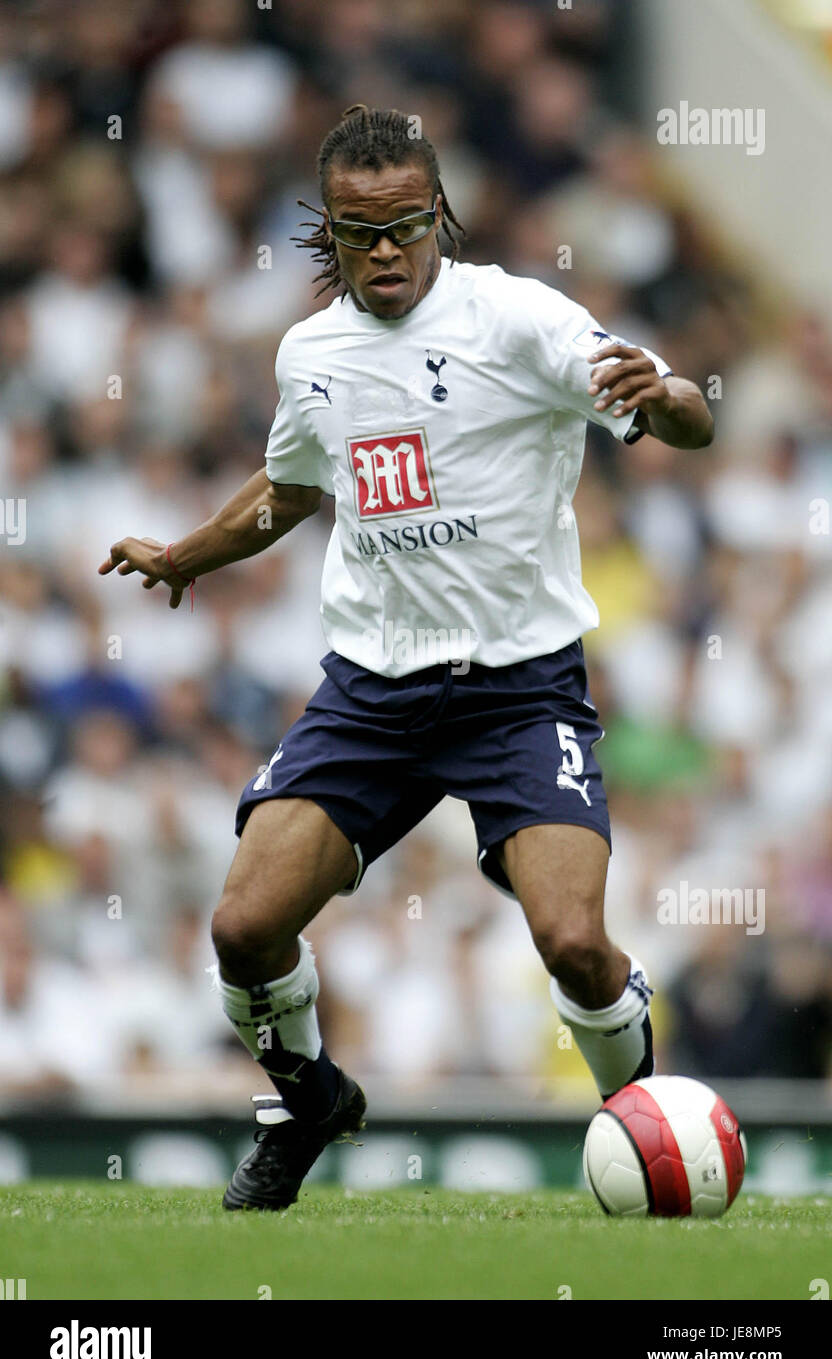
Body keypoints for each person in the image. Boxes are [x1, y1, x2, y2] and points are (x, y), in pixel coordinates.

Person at [100, 105, 714, 1211]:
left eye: (404, 226)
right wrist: (185, 554)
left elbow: (679, 418)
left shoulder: (520, 320)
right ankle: (310, 1098)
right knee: (242, 926)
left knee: (574, 942)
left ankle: (650, 1133)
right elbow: (291, 488)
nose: (384, 252)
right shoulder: (312, 352)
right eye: (357, 231)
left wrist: (666, 398)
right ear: (325, 234)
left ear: (441, 217)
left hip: (520, 691)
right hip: (372, 692)